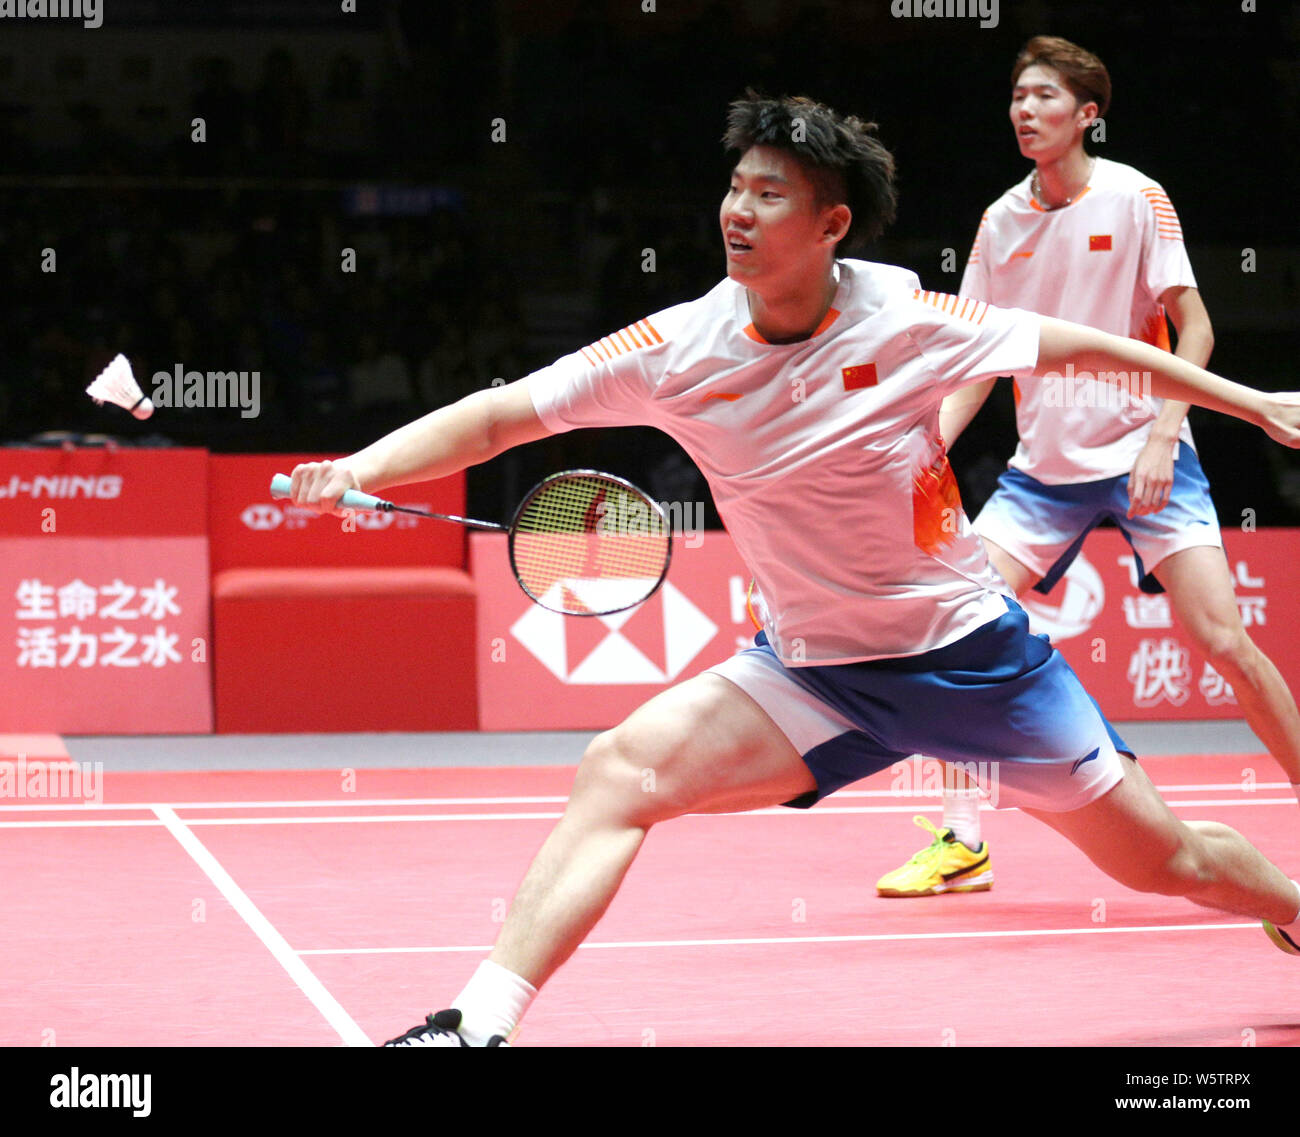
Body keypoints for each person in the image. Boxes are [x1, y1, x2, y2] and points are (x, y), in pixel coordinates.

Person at [287, 92, 1300, 1046]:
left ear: (831, 225)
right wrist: (360, 466)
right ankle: (476, 1024)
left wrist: (1246, 401)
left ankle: (1290, 907)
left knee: (1163, 862)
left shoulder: (905, 317)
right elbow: (505, 412)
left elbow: (1085, 347)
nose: (740, 210)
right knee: (619, 771)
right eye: (737, 186)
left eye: (772, 195)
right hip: (812, 672)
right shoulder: (678, 347)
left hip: (970, 662)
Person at [875, 36, 1300, 900]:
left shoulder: (1138, 197)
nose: (1023, 110)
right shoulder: (1001, 220)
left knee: (1222, 638)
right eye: (1016, 97)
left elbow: (1198, 328)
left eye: (1043, 96)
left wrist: (1162, 432)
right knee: (951, 626)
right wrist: (928, 450)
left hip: (1150, 449)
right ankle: (963, 842)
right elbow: (983, 360)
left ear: (1087, 113)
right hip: (1044, 468)